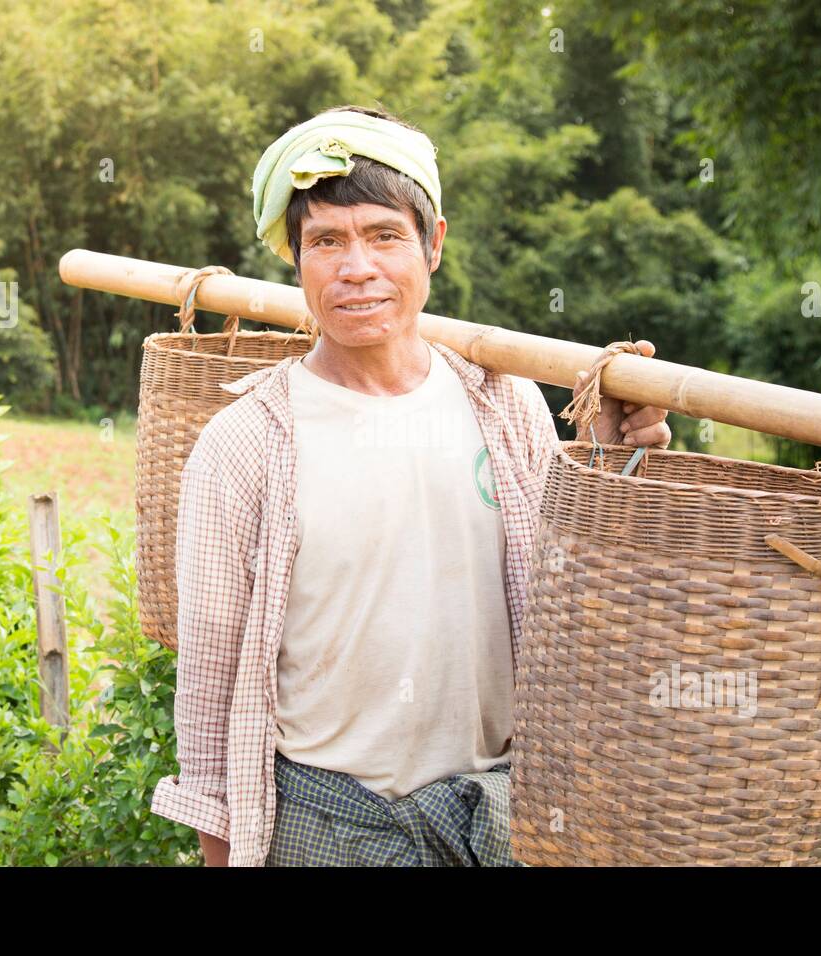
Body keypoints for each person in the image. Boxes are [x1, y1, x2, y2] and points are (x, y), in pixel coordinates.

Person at [149, 105, 670, 866]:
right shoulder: (246, 442)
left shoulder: (506, 404)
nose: (356, 267)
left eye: (383, 236)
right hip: (324, 823)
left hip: (493, 814)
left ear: (433, 246)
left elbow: (574, 592)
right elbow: (209, 681)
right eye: (327, 241)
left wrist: (615, 457)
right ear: (296, 262)